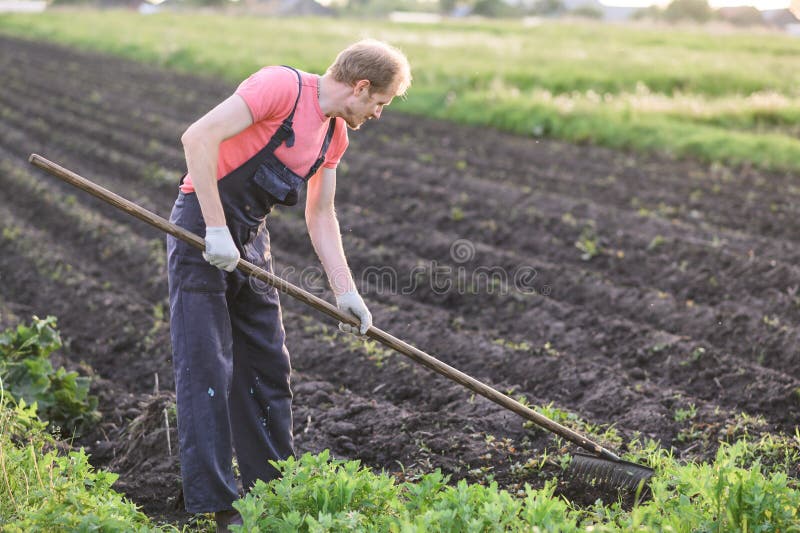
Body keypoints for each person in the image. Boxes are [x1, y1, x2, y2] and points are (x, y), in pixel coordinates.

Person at [166, 40, 411, 531]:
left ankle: (273, 492)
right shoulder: (281, 87)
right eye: (380, 103)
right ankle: (222, 508)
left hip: (252, 241)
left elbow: (321, 213)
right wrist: (213, 230)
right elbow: (197, 139)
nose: (379, 113)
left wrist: (346, 291)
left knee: (268, 364)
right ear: (361, 87)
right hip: (201, 231)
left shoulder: (334, 136)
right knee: (207, 367)